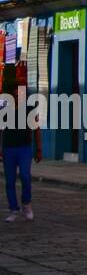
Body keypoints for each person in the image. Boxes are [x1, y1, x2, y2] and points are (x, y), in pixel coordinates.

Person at [1, 65, 39, 222]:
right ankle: (13, 209)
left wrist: (39, 149)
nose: (17, 93)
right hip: (9, 148)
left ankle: (26, 203)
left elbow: (37, 129)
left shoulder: (28, 109)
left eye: (19, 90)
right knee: (9, 180)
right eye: (15, 90)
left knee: (25, 176)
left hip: (24, 148)